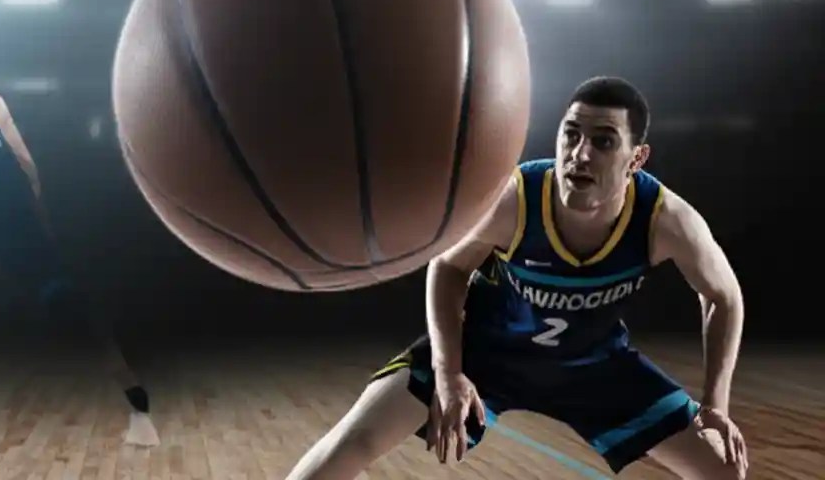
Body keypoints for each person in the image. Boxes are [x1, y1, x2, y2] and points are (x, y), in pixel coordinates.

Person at [286, 77, 748, 479]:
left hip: (594, 366)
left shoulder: (665, 219)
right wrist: (449, 374)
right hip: (490, 351)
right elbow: (448, 266)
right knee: (356, 440)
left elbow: (723, 296)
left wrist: (715, 405)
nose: (580, 153)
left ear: (636, 157)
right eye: (571, 134)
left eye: (604, 141)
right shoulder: (514, 200)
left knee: (724, 468)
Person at [0, 32, 158, 451]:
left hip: (17, 229)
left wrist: (38, 225)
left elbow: (26, 163)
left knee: (76, 312)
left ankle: (139, 408)